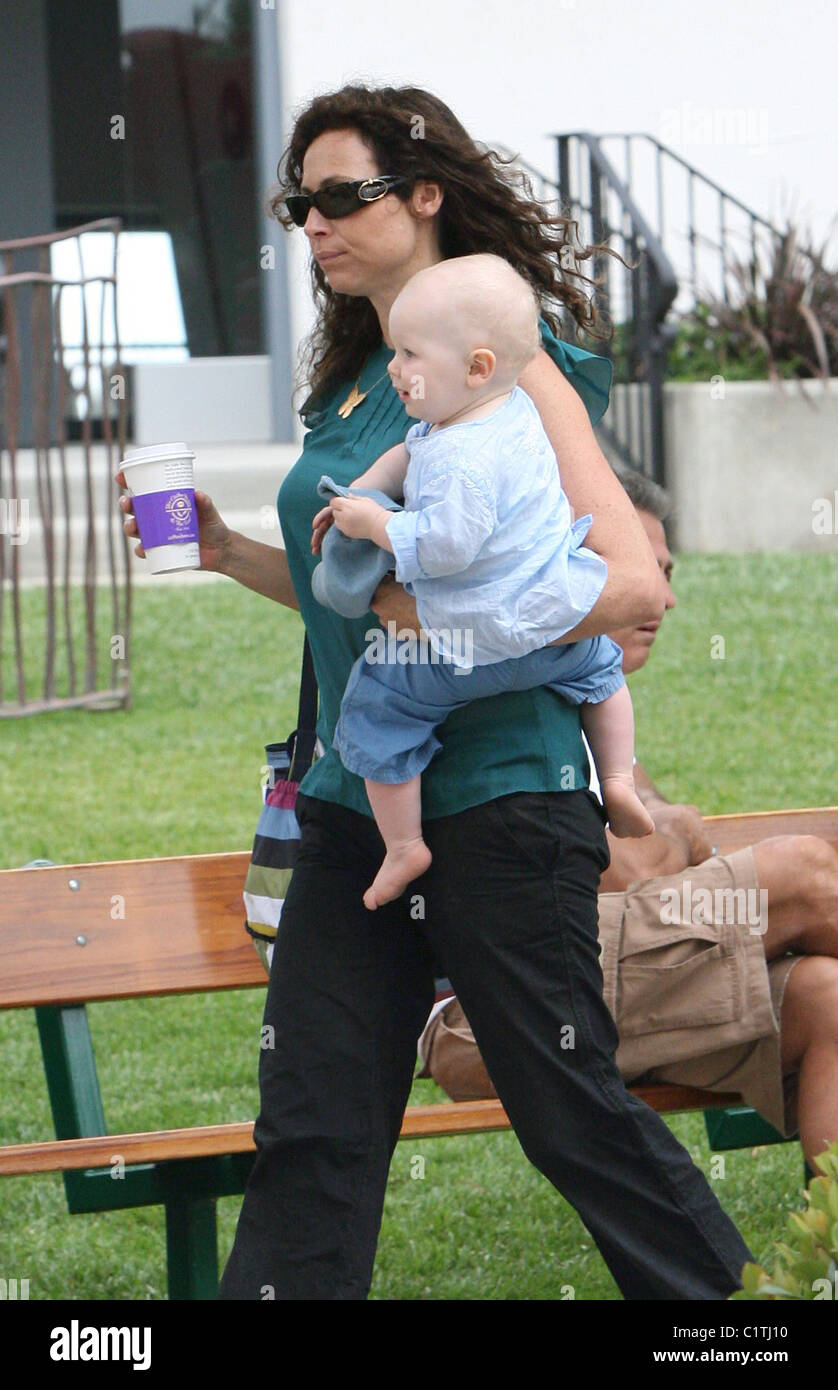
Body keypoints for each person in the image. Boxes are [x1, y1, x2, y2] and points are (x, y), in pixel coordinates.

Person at [119, 82, 754, 1299]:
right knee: (313, 1124)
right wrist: (226, 550)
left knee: (568, 1111)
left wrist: (440, 615)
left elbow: (628, 588)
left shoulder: (509, 370)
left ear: (423, 196)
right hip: (357, 802)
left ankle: (740, 1316)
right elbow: (346, 596)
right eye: (297, 201)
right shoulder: (367, 377)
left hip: (501, 802)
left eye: (341, 195)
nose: (313, 221)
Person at [419, 466, 838, 1171]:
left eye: (665, 574)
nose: (663, 600)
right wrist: (673, 831)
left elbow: (649, 861)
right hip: (493, 1011)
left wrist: (668, 836)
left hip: (602, 988)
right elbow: (632, 866)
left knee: (828, 999)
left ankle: (826, 1260)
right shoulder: (501, 691)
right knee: (806, 873)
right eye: (639, 572)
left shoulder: (590, 701)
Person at [312, 253, 652, 911]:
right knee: (603, 669)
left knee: (378, 703)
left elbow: (443, 546)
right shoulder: (509, 411)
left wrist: (374, 523)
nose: (394, 369)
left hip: (476, 647)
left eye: (410, 354)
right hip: (560, 633)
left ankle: (403, 845)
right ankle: (618, 778)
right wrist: (366, 488)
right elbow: (410, 450)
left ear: (476, 367)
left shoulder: (460, 463)